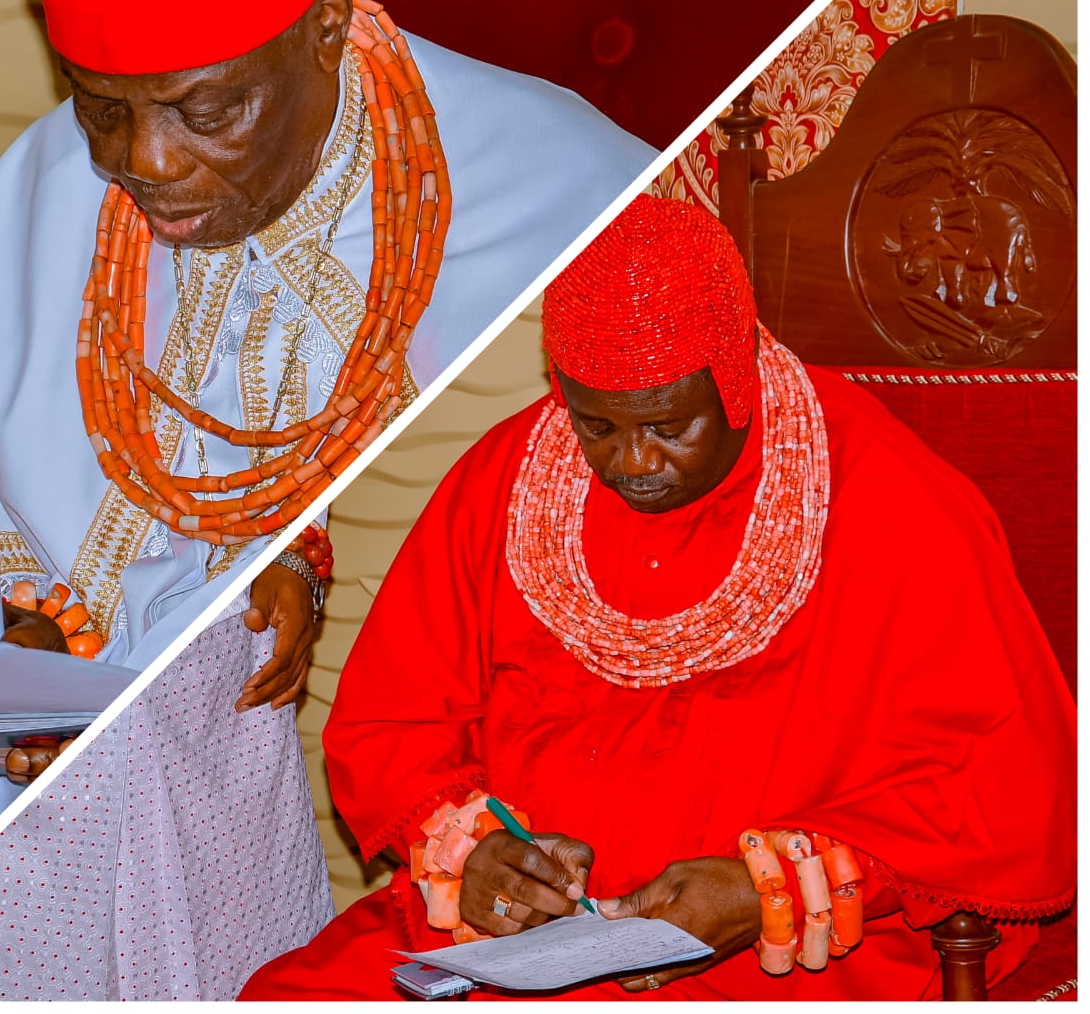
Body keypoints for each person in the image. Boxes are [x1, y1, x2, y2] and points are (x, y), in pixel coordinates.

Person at [0, 0, 656, 941]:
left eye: (203, 110)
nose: (145, 160)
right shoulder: (51, 178)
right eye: (102, 105)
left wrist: (288, 568)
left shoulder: (558, 188)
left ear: (323, 27)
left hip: (197, 731)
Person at [241, 196, 1075, 1000]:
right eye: (596, 426)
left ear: (738, 380)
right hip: (521, 949)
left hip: (786, 958)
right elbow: (393, 725)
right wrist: (477, 852)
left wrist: (762, 886)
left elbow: (1001, 784)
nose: (632, 462)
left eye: (669, 426)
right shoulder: (507, 477)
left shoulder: (890, 496)